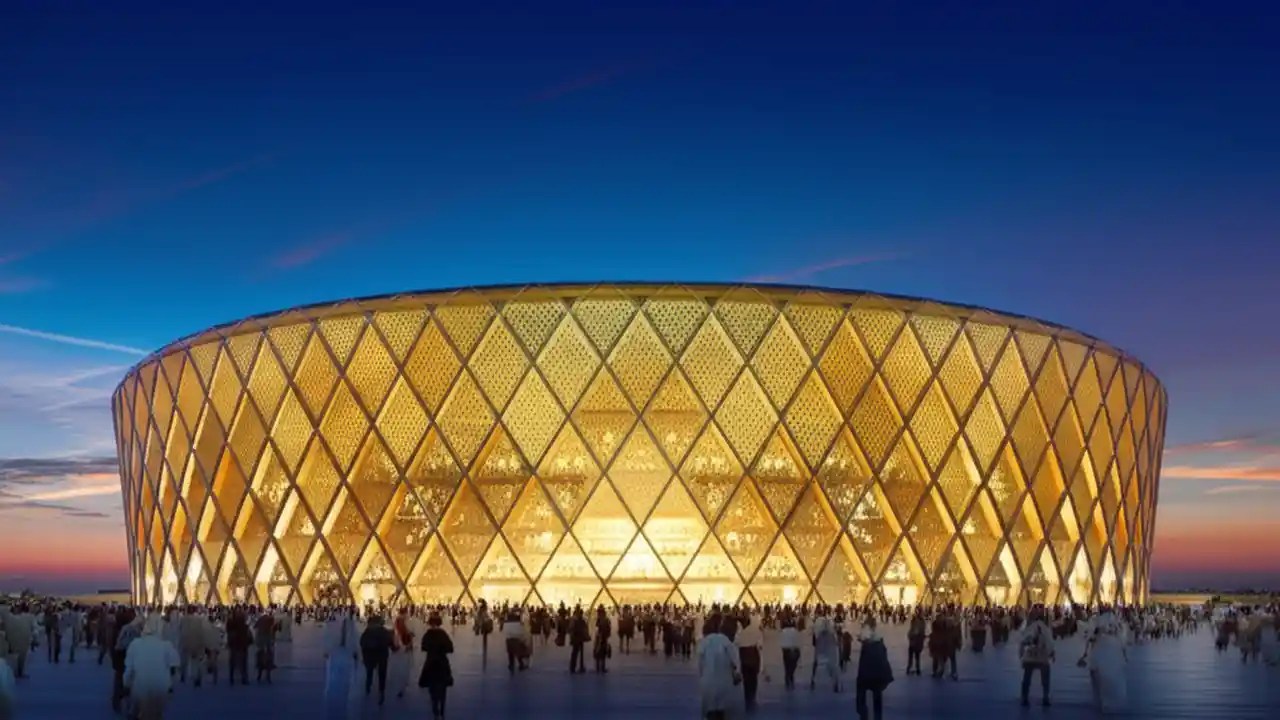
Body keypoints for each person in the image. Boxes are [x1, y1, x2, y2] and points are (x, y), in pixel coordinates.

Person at [123, 615, 181, 720]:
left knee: (138, 711)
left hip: (140, 686)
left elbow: (129, 669)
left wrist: (126, 684)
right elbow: (175, 665)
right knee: (157, 713)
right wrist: (170, 684)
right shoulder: (166, 645)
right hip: (161, 687)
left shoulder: (135, 644)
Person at [1080, 607, 1128, 713]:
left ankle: (1099, 700)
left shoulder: (1096, 621)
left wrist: (1085, 653)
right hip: (1113, 652)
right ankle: (1108, 700)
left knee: (1096, 675)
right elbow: (1122, 640)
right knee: (1110, 677)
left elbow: (1089, 637)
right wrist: (1124, 655)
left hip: (1099, 651)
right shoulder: (1117, 623)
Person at [697, 614, 740, 720]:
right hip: (724, 680)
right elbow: (735, 661)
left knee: (710, 709)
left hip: (708, 680)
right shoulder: (726, 641)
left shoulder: (704, 642)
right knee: (721, 708)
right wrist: (736, 674)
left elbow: (700, 663)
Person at [324, 609, 359, 720]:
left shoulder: (332, 627)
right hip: (345, 659)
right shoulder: (351, 628)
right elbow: (355, 645)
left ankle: (335, 709)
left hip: (336, 659)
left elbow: (327, 647)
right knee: (344, 686)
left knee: (334, 685)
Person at [855, 617, 893, 720]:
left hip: (867, 674)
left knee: (861, 693)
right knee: (877, 696)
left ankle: (863, 714)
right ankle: (877, 717)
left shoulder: (867, 639)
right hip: (879, 674)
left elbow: (864, 637)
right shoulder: (880, 640)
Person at [419, 613, 454, 720]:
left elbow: (423, 647)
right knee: (443, 686)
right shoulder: (443, 634)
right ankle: (442, 708)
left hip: (430, 662)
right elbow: (450, 648)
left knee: (431, 686)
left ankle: (435, 708)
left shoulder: (427, 634)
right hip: (442, 662)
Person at [1019, 607, 1055, 707]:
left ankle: (1025, 697)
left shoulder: (1028, 626)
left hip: (1030, 655)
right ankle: (1045, 697)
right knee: (1045, 678)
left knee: (1027, 677)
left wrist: (1021, 654)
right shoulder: (1045, 628)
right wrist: (1052, 652)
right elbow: (1050, 642)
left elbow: (1023, 640)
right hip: (1042, 656)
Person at [360, 615, 395, 705]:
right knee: (382, 674)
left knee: (370, 672)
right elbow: (391, 642)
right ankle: (381, 691)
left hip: (371, 655)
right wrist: (395, 648)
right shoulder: (384, 631)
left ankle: (368, 686)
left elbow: (362, 642)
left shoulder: (368, 631)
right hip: (382, 655)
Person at [734, 613, 763, 708]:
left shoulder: (740, 633)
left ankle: (747, 698)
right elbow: (760, 645)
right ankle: (752, 697)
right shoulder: (755, 631)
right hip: (754, 657)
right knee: (754, 680)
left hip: (744, 658)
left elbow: (736, 643)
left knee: (746, 681)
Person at [178, 607, 211, 687]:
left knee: (184, 660)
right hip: (197, 642)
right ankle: (198, 677)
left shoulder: (182, 619)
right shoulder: (199, 620)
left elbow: (179, 629)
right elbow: (203, 631)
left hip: (185, 641)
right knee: (197, 661)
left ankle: (183, 675)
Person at [390, 608, 417, 699]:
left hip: (400, 647)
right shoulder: (401, 622)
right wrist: (410, 637)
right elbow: (403, 634)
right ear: (404, 613)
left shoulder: (399, 621)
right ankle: (401, 687)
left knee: (401, 667)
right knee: (403, 668)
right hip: (403, 648)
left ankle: (401, 686)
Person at [811, 614, 840, 692]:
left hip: (821, 644)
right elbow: (835, 641)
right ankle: (835, 683)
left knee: (816, 663)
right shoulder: (830, 628)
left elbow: (814, 641)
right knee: (832, 666)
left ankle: (813, 680)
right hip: (829, 646)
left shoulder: (817, 624)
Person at [225, 609, 252, 686]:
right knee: (243, 662)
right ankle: (244, 678)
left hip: (234, 645)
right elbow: (249, 636)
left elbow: (228, 633)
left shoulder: (230, 624)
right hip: (243, 645)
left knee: (233, 662)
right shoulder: (244, 626)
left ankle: (232, 677)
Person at [253, 610, 277, 683]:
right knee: (268, 658)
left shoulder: (261, 624)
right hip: (267, 643)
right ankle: (268, 675)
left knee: (260, 657)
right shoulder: (270, 623)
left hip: (261, 644)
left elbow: (255, 628)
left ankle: (259, 675)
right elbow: (274, 631)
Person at [779, 616, 801, 689]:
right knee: (792, 665)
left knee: (787, 665)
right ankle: (790, 676)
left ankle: (788, 677)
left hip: (786, 650)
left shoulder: (783, 631)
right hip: (794, 650)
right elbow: (798, 641)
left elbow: (781, 643)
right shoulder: (795, 631)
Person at [569, 607, 590, 674]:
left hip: (579, 639)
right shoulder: (576, 621)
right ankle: (574, 667)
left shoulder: (579, 620)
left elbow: (585, 628)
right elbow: (572, 629)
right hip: (577, 639)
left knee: (578, 654)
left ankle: (577, 667)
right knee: (576, 653)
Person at [906, 609, 926, 675]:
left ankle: (912, 668)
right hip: (915, 642)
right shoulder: (919, 621)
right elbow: (914, 631)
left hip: (915, 642)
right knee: (915, 656)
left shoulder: (920, 621)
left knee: (914, 656)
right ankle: (915, 669)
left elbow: (919, 631)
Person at [593, 606, 611, 673]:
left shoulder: (601, 620)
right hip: (602, 637)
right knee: (601, 652)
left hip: (601, 637)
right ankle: (601, 668)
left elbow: (597, 628)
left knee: (600, 652)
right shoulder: (605, 620)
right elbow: (608, 629)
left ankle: (599, 668)